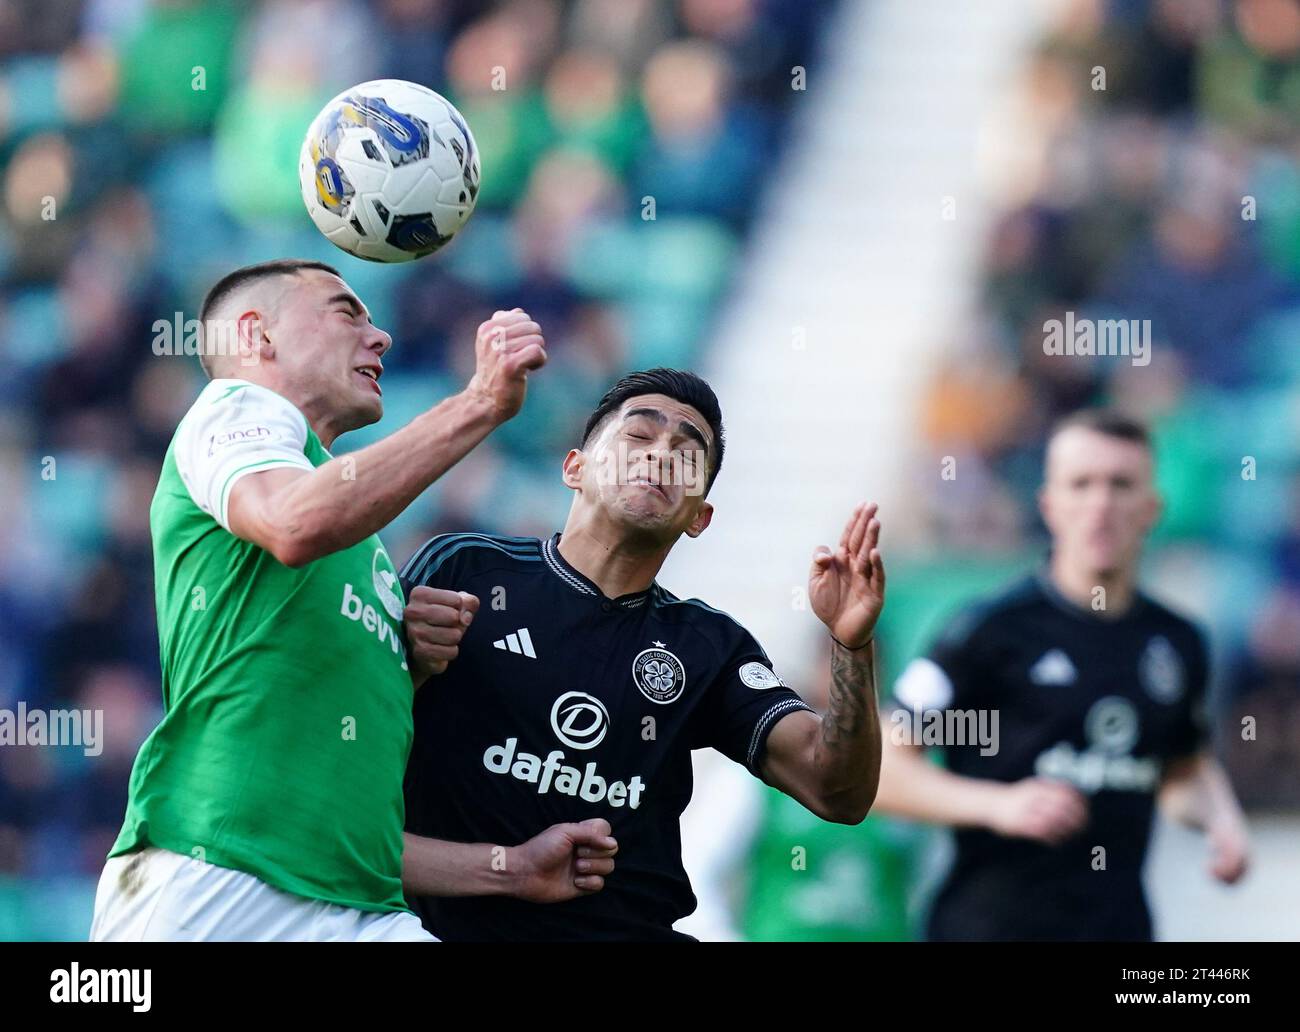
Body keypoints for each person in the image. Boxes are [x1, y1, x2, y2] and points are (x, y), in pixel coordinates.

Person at [91, 258, 616, 942]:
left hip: (356, 909)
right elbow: (293, 522)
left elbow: (347, 830)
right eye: (346, 312)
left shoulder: (362, 547)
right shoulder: (233, 409)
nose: (381, 337)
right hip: (211, 881)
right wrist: (479, 402)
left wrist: (508, 868)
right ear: (256, 337)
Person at [400, 367, 886, 941]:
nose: (661, 457)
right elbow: (343, 736)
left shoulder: (708, 646)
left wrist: (851, 645)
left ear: (699, 517)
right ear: (574, 468)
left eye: (688, 453)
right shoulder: (467, 569)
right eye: (638, 436)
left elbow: (839, 792)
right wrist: (407, 657)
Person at [875, 409, 1250, 941]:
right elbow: (880, 770)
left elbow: (1180, 770)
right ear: (1049, 505)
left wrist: (1221, 820)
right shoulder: (988, 631)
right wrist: (997, 805)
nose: (1101, 505)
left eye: (1120, 485)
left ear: (1152, 508)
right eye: (1082, 484)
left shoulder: (1177, 642)